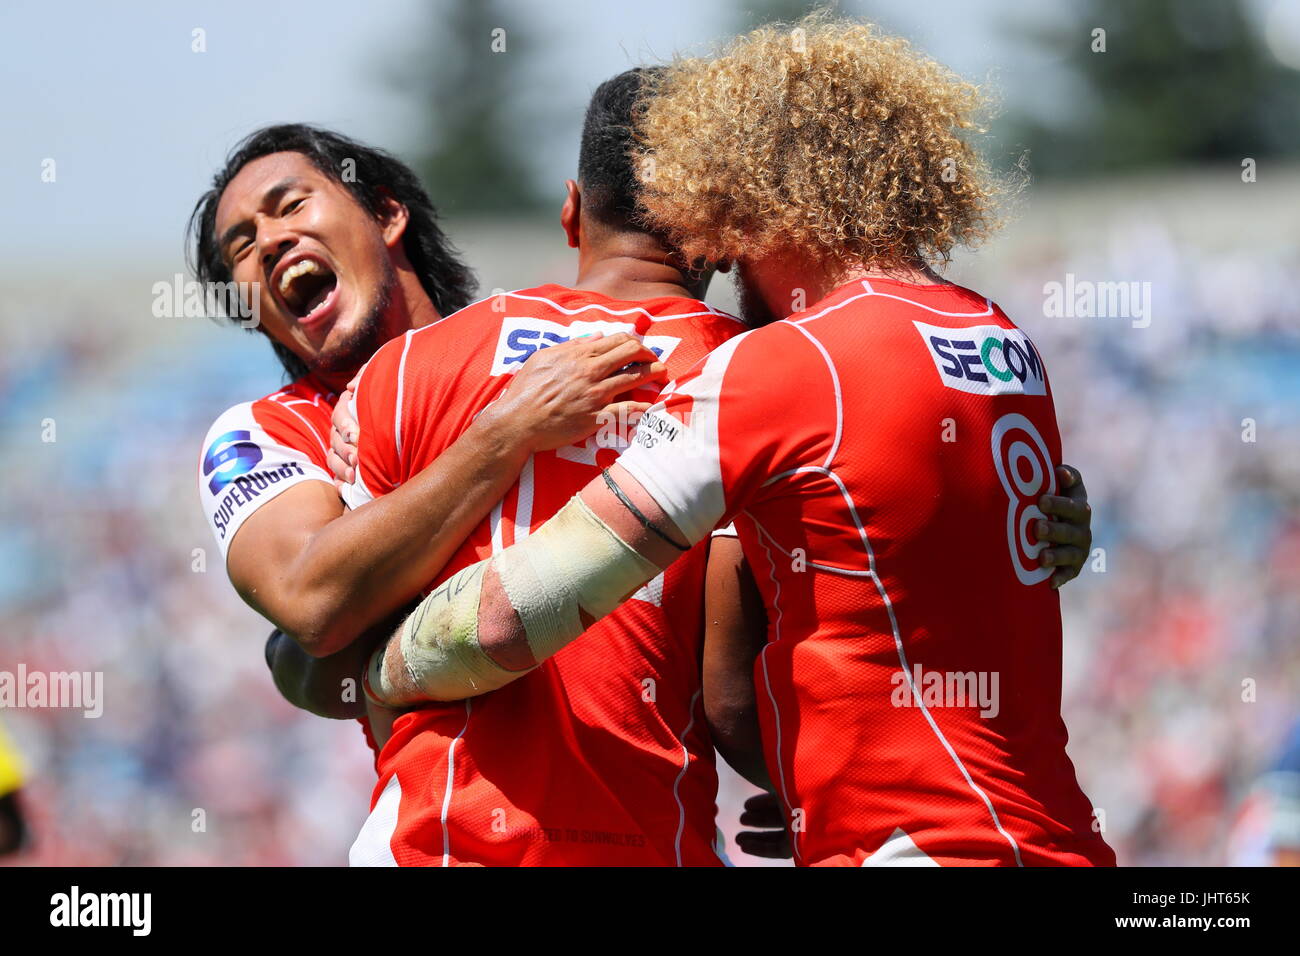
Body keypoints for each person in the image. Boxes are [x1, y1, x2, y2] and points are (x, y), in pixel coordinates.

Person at [361, 19, 1114, 867]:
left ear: (754, 201)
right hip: (1060, 837)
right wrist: (803, 781)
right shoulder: (1005, 340)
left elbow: (511, 617)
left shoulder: (783, 366)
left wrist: (377, 670)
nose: (719, 253)